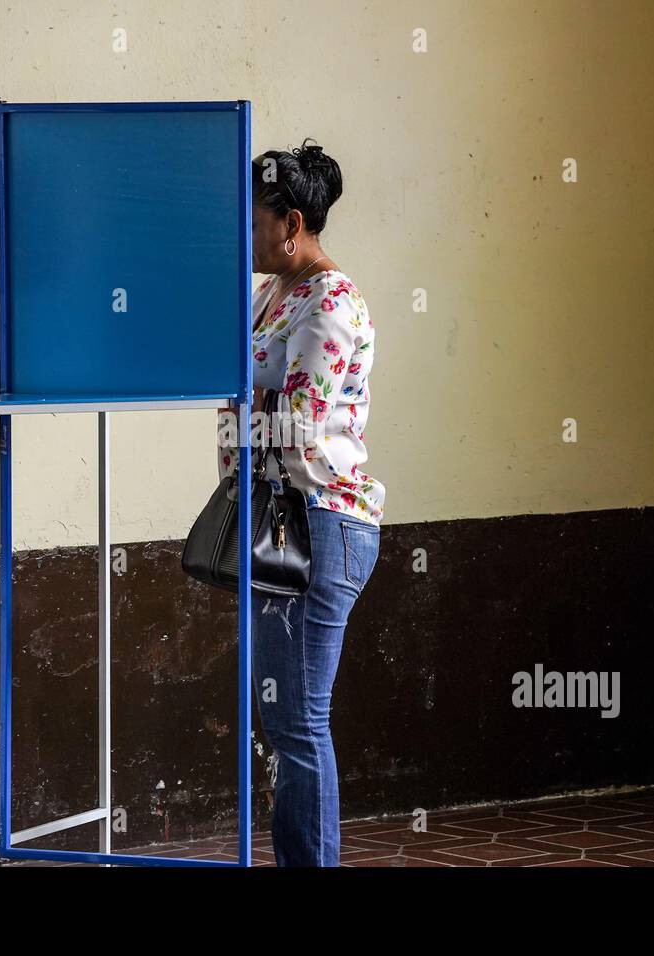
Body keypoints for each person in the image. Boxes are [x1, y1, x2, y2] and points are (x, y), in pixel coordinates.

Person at [217, 139, 386, 866]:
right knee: (282, 715)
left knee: (300, 718)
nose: (242, 236)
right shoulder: (271, 293)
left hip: (322, 522)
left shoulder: (332, 302)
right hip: (277, 516)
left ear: (291, 223)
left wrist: (248, 410)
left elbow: (299, 426)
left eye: (252, 222)